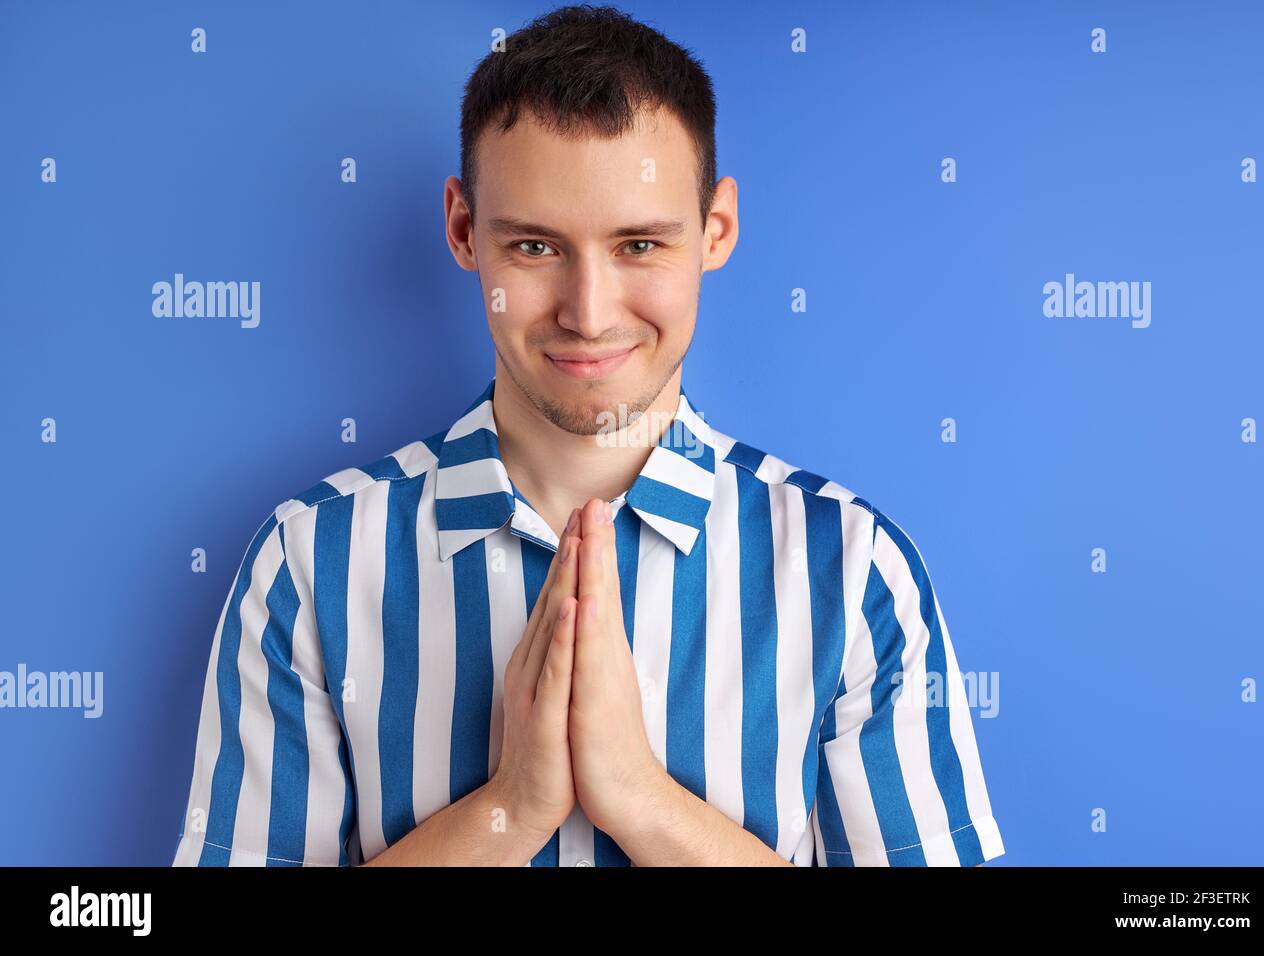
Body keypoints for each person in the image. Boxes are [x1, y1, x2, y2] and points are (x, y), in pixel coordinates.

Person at [171, 3, 1005, 867]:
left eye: (640, 243)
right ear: (463, 230)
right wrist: (514, 807)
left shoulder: (850, 568)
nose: (590, 313)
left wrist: (640, 800)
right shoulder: (310, 563)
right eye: (535, 246)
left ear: (715, 230)